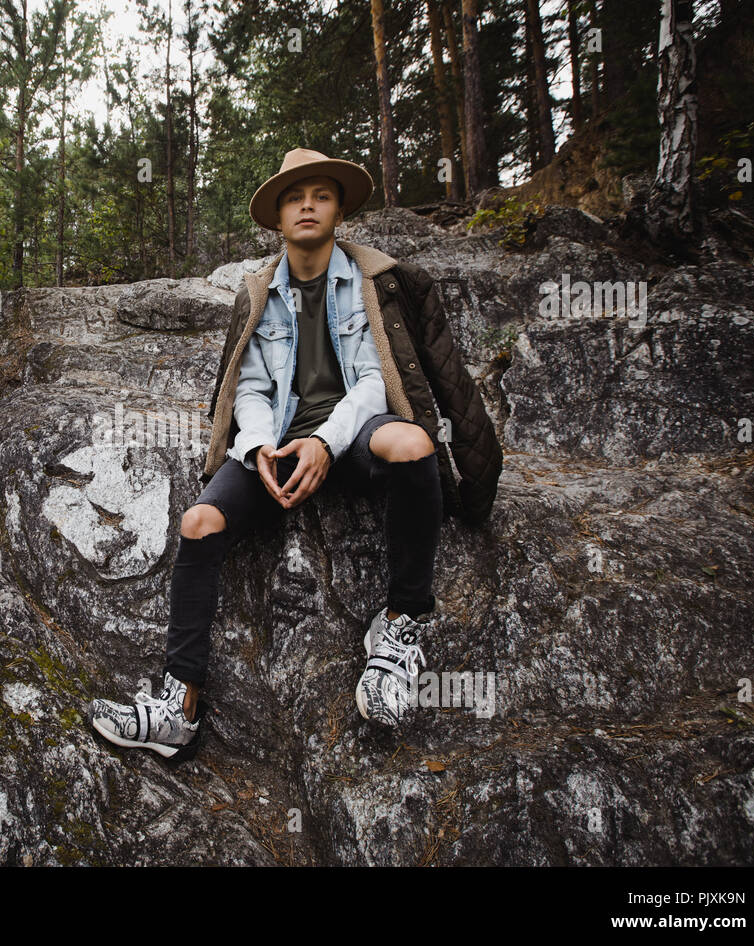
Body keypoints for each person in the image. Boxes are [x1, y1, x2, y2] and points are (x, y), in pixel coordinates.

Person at [89, 147, 503, 760]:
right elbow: (250, 387)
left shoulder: (373, 280)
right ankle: (179, 706)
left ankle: (400, 628)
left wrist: (324, 443)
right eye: (293, 197)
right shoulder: (258, 293)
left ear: (338, 211)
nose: (307, 204)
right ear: (278, 218)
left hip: (353, 436)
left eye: (321, 194)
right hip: (279, 441)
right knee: (199, 522)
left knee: (413, 443)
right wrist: (258, 446)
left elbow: (372, 382)